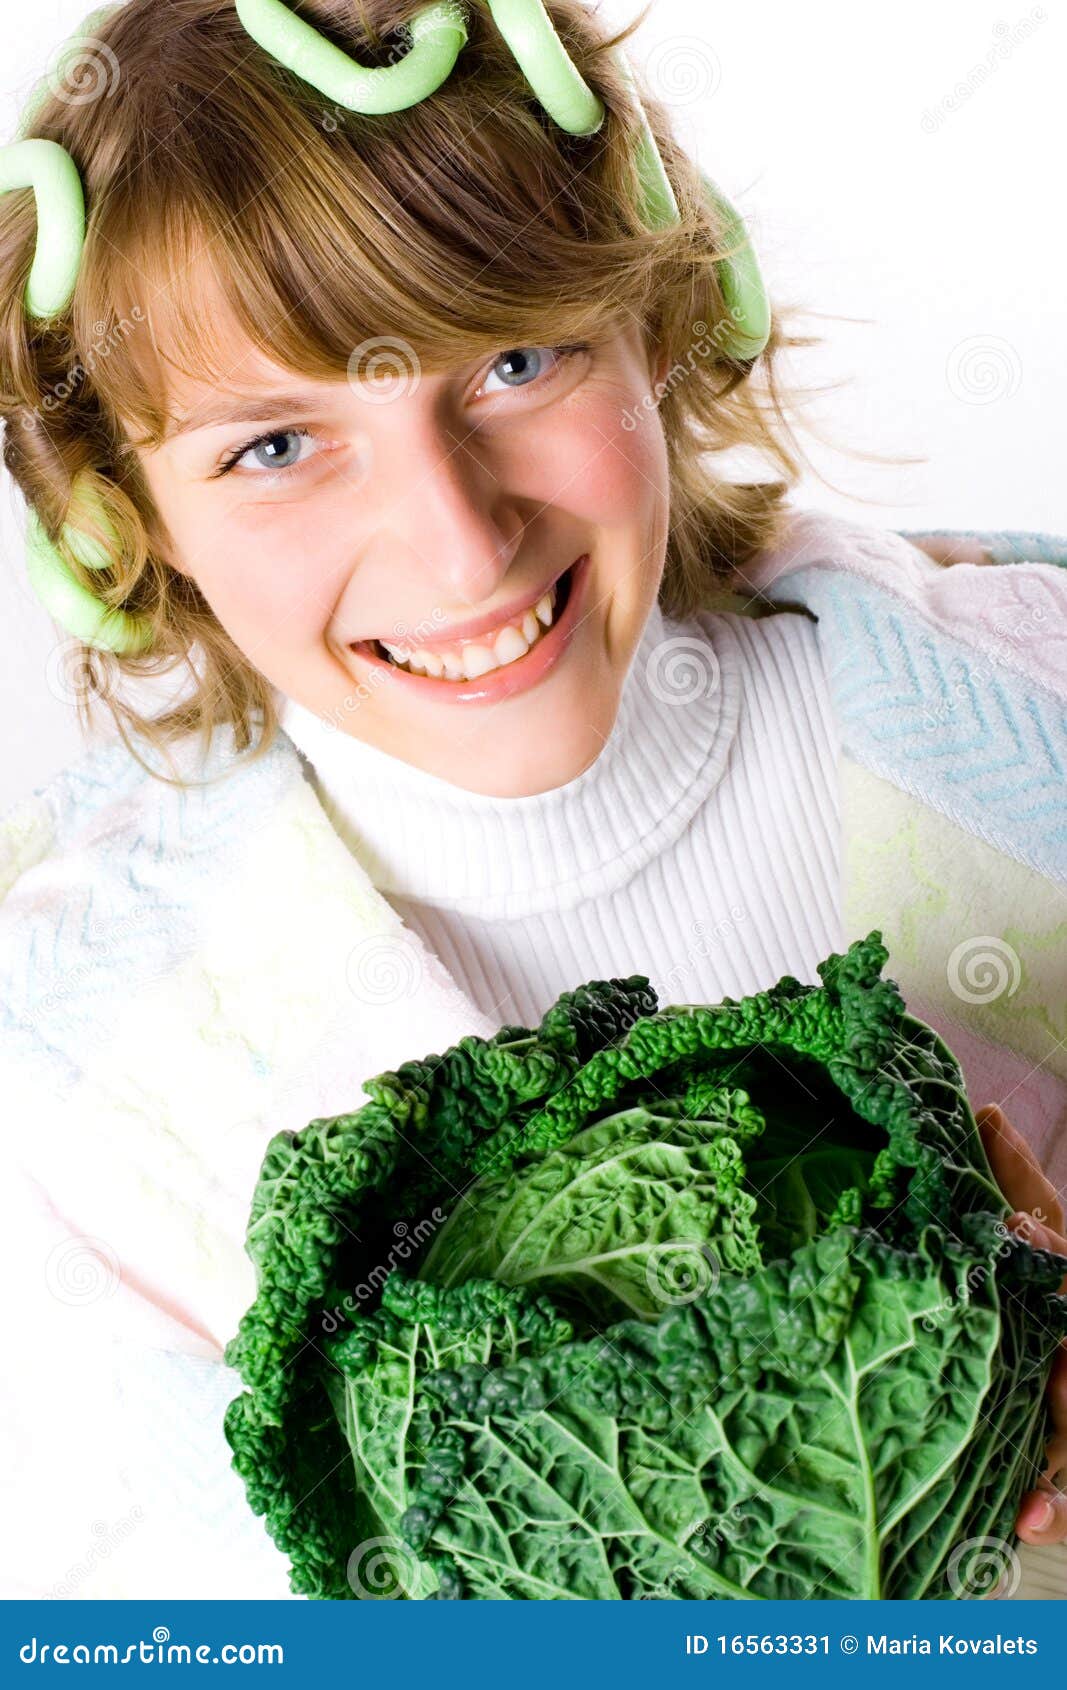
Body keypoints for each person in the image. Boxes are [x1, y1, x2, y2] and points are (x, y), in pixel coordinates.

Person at [0, 0, 1063, 1600]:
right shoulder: (84, 1094)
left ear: (666, 314)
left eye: (513, 357)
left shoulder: (1034, 717)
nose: (458, 541)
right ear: (116, 527)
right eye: (279, 443)